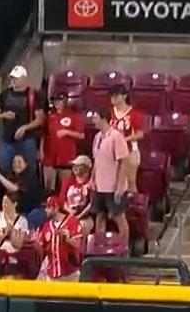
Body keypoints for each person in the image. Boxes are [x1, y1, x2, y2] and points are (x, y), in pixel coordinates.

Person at [88, 110, 130, 244]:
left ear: (104, 119)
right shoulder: (97, 137)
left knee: (118, 218)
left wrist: (120, 185)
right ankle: (100, 248)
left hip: (113, 187)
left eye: (95, 118)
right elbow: (96, 161)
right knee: (99, 217)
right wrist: (92, 179)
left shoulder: (116, 136)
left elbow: (124, 162)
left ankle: (123, 248)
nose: (93, 121)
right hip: (99, 186)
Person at [0, 65, 43, 171]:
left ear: (24, 79)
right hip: (7, 138)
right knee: (3, 167)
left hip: (26, 139)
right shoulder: (5, 94)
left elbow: (40, 119)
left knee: (28, 168)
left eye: (16, 78)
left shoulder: (33, 95)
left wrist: (25, 127)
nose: (13, 80)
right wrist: (4, 115)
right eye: (12, 78)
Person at [43, 92, 84, 192]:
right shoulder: (50, 116)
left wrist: (67, 132)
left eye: (59, 100)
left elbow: (81, 135)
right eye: (55, 101)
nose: (57, 103)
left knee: (64, 187)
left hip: (66, 155)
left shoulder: (73, 116)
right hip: (50, 155)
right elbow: (44, 134)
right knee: (48, 187)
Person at [108, 84, 145, 195]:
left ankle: (134, 206)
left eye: (116, 95)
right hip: (113, 152)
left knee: (130, 181)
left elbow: (140, 134)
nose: (113, 98)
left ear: (124, 96)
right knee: (116, 183)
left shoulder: (134, 114)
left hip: (129, 151)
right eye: (111, 96)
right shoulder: (108, 113)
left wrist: (125, 139)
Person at [36, 195, 82, 282]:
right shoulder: (46, 226)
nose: (45, 210)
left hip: (70, 274)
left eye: (48, 207)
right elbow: (42, 248)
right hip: (52, 275)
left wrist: (67, 239)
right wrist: (36, 242)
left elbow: (78, 244)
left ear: (56, 208)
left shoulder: (72, 222)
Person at [0, 192, 30, 278]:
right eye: (3, 202)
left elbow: (18, 244)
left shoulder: (22, 221)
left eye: (7, 203)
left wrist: (11, 231)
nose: (4, 205)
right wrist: (4, 234)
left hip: (12, 259)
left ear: (15, 204)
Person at [60, 155, 95, 220]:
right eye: (74, 166)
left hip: (86, 217)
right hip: (68, 214)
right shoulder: (68, 181)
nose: (74, 168)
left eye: (78, 166)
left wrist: (79, 217)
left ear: (86, 168)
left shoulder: (92, 184)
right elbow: (62, 200)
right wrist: (70, 211)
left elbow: (92, 203)